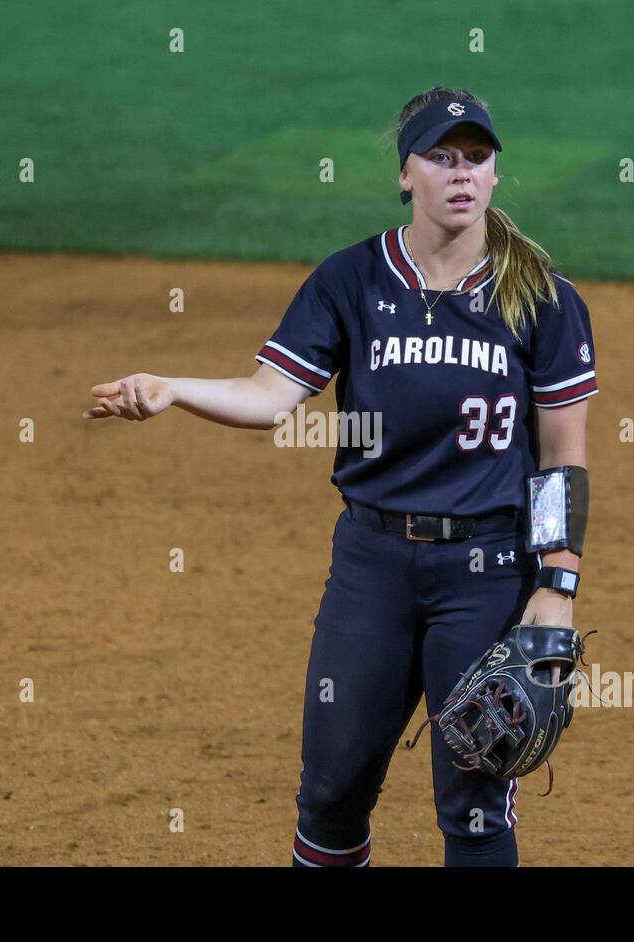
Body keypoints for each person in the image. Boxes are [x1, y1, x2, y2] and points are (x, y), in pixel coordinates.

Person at [83, 87, 597, 867]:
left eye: (477, 158)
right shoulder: (352, 280)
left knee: (475, 808)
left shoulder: (545, 302)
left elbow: (562, 459)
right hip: (372, 569)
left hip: (487, 574)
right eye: (441, 157)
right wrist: (175, 389)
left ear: (495, 176)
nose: (461, 174)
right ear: (405, 175)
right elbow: (268, 396)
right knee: (331, 794)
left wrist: (555, 589)